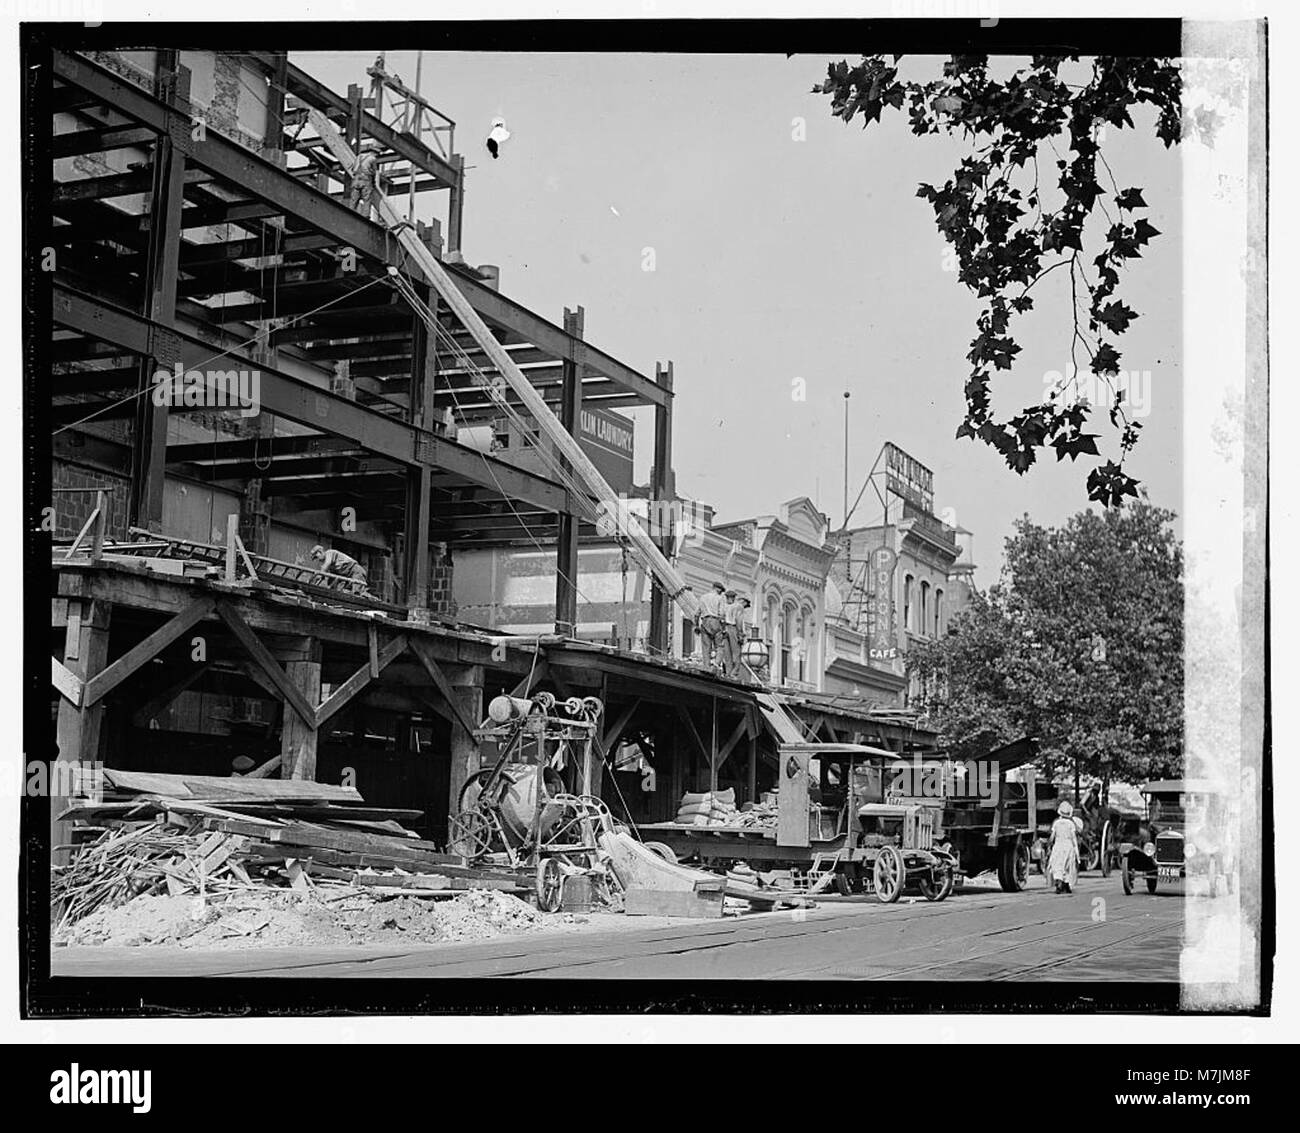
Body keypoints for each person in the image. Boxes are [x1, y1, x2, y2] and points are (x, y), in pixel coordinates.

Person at [1047, 800, 1081, 894]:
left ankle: (1058, 882)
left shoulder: (1056, 823)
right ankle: (1066, 884)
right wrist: (1077, 851)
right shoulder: (1071, 824)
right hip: (1068, 846)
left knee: (1057, 865)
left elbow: (1052, 837)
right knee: (1068, 866)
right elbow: (1074, 838)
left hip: (1058, 845)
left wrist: (1049, 846)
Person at [697, 581, 726, 671]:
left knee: (706, 647)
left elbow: (697, 613)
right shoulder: (719, 598)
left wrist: (696, 625)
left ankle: (706, 666)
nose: (721, 592)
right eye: (721, 590)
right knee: (719, 646)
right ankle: (716, 665)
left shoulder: (703, 597)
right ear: (717, 589)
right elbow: (721, 614)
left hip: (705, 621)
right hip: (715, 621)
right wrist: (724, 628)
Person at [721, 588, 741, 677]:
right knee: (736, 652)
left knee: (727, 652)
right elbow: (738, 620)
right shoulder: (737, 606)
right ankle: (734, 672)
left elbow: (721, 617)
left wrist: (723, 629)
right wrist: (740, 632)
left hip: (724, 628)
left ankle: (728, 672)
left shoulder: (723, 606)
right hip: (733, 628)